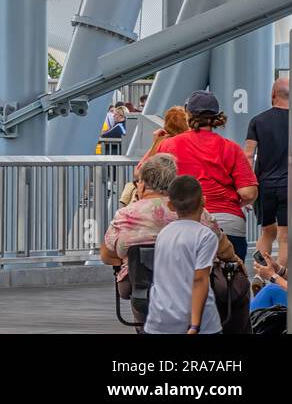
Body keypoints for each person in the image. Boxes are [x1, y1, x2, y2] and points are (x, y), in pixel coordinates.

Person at [100, 153, 236, 323]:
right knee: (238, 284)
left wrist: (128, 260)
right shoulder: (193, 210)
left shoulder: (125, 215)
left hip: (142, 287)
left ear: (141, 185)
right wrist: (236, 259)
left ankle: (143, 326)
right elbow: (223, 249)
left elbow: (106, 255)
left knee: (138, 286)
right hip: (191, 288)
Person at [157, 90, 258, 259]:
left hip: (183, 220)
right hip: (228, 222)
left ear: (188, 114)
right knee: (231, 278)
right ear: (215, 117)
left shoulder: (169, 145)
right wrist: (233, 202)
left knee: (186, 279)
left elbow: (154, 183)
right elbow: (248, 192)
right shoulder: (230, 147)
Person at [144, 175, 223, 335]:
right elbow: (200, 279)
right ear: (203, 201)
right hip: (201, 323)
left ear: (171, 206)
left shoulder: (164, 233)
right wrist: (195, 325)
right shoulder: (205, 236)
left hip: (159, 318)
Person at [245, 77, 288, 269]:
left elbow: (248, 154)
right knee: (285, 237)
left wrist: (249, 184)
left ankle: (259, 275)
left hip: (265, 185)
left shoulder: (258, 121)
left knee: (267, 232)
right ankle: (276, 280)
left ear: (272, 95)